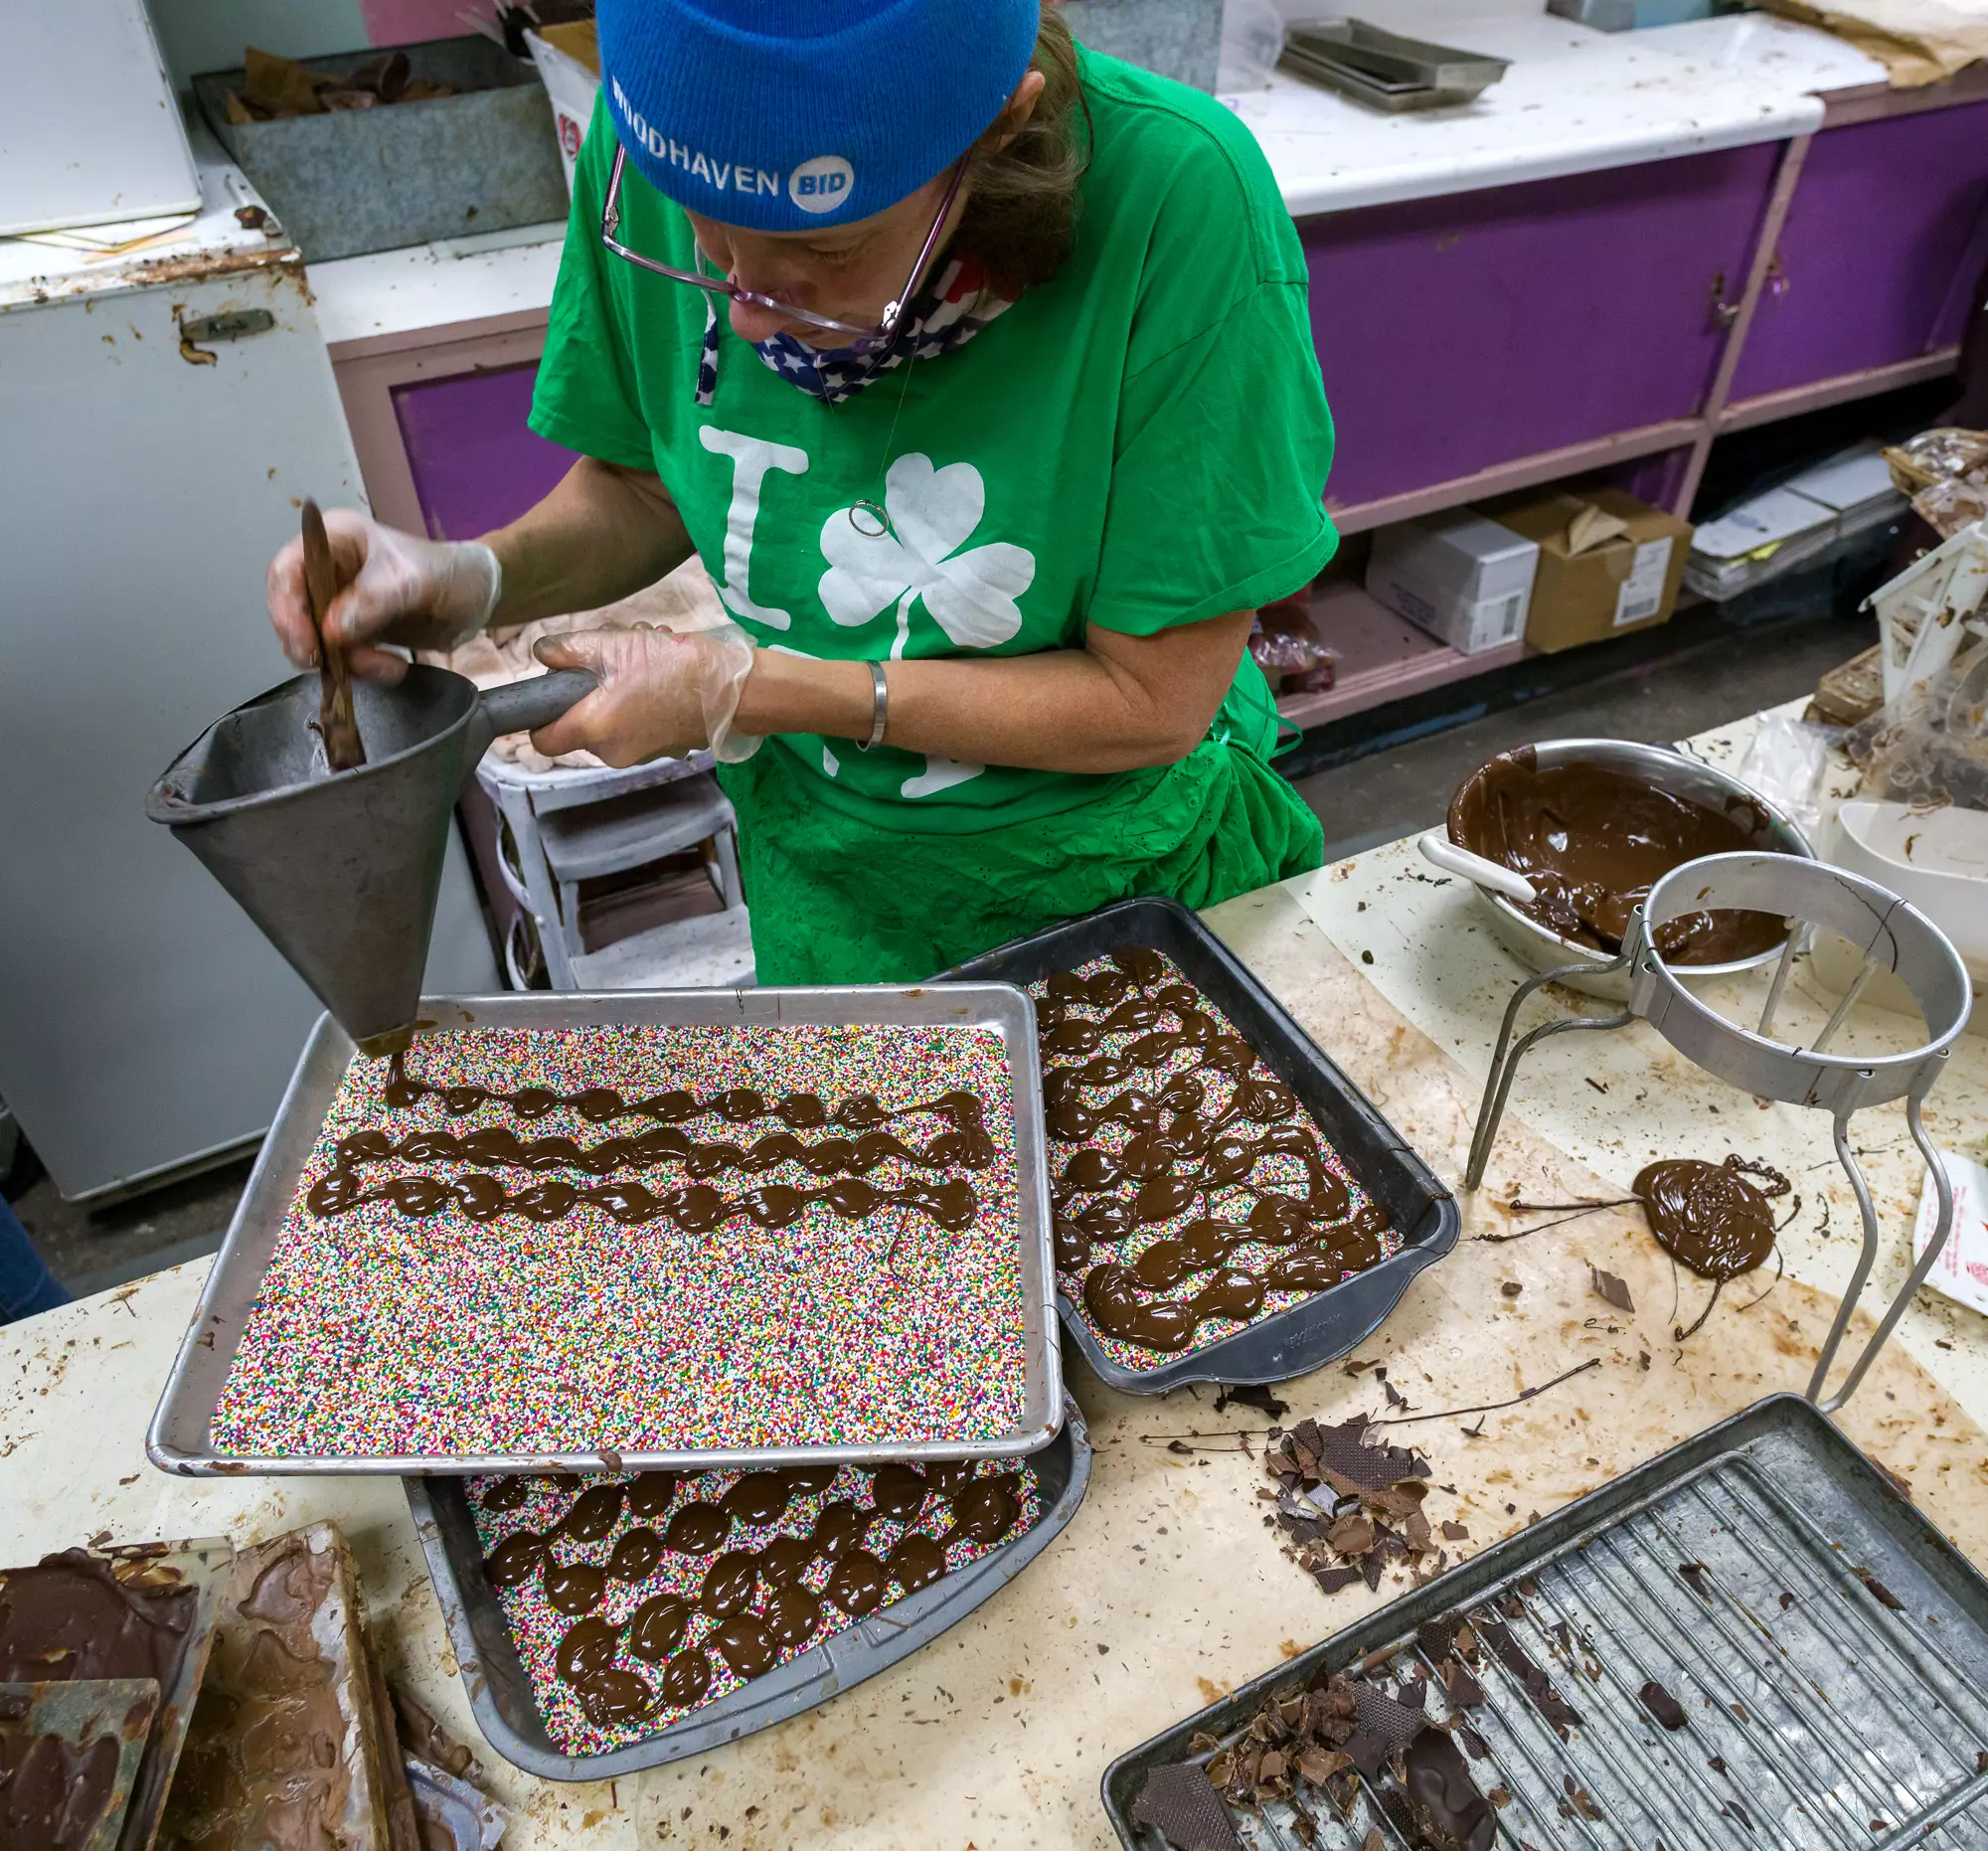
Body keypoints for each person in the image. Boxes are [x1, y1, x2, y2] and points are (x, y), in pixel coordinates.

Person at [268, 0, 1338, 983]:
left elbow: (1146, 702)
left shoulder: (1177, 203)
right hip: (824, 873)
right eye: (702, 230)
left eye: (822, 249)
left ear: (998, 131)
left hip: (1108, 875)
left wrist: (754, 689)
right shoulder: (672, 140)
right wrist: (476, 576)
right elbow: (649, 486)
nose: (739, 310)